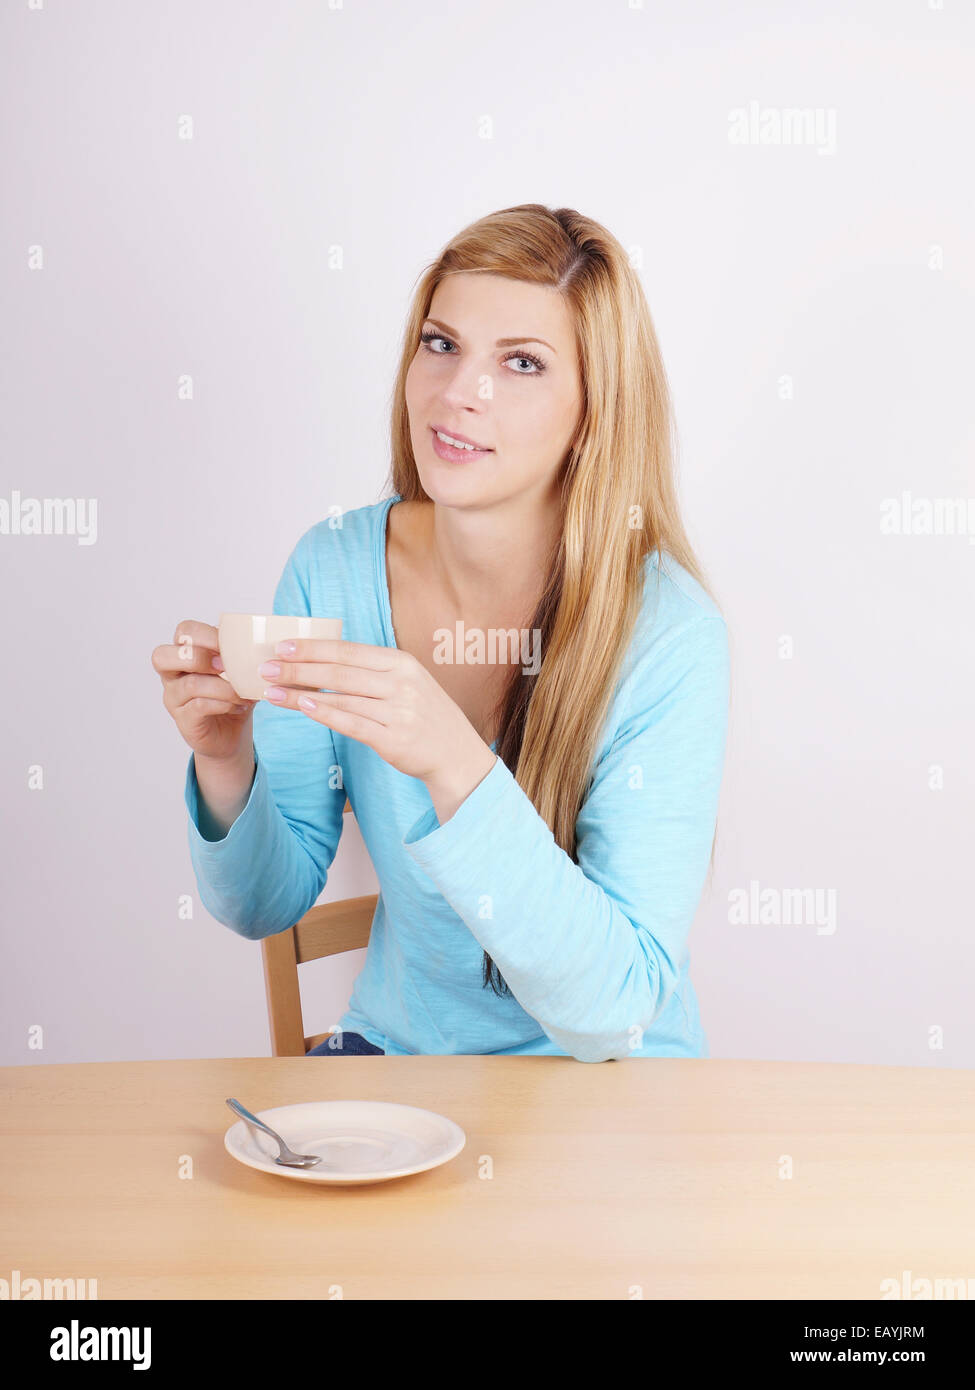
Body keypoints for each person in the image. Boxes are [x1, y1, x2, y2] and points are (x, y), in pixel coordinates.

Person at [151, 203, 731, 1063]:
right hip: (400, 1061)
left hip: (609, 1084)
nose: (460, 391)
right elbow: (264, 904)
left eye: (522, 363)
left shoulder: (669, 634)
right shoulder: (334, 566)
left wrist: (452, 758)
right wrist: (226, 761)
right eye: (441, 343)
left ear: (593, 413)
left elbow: (616, 1011)